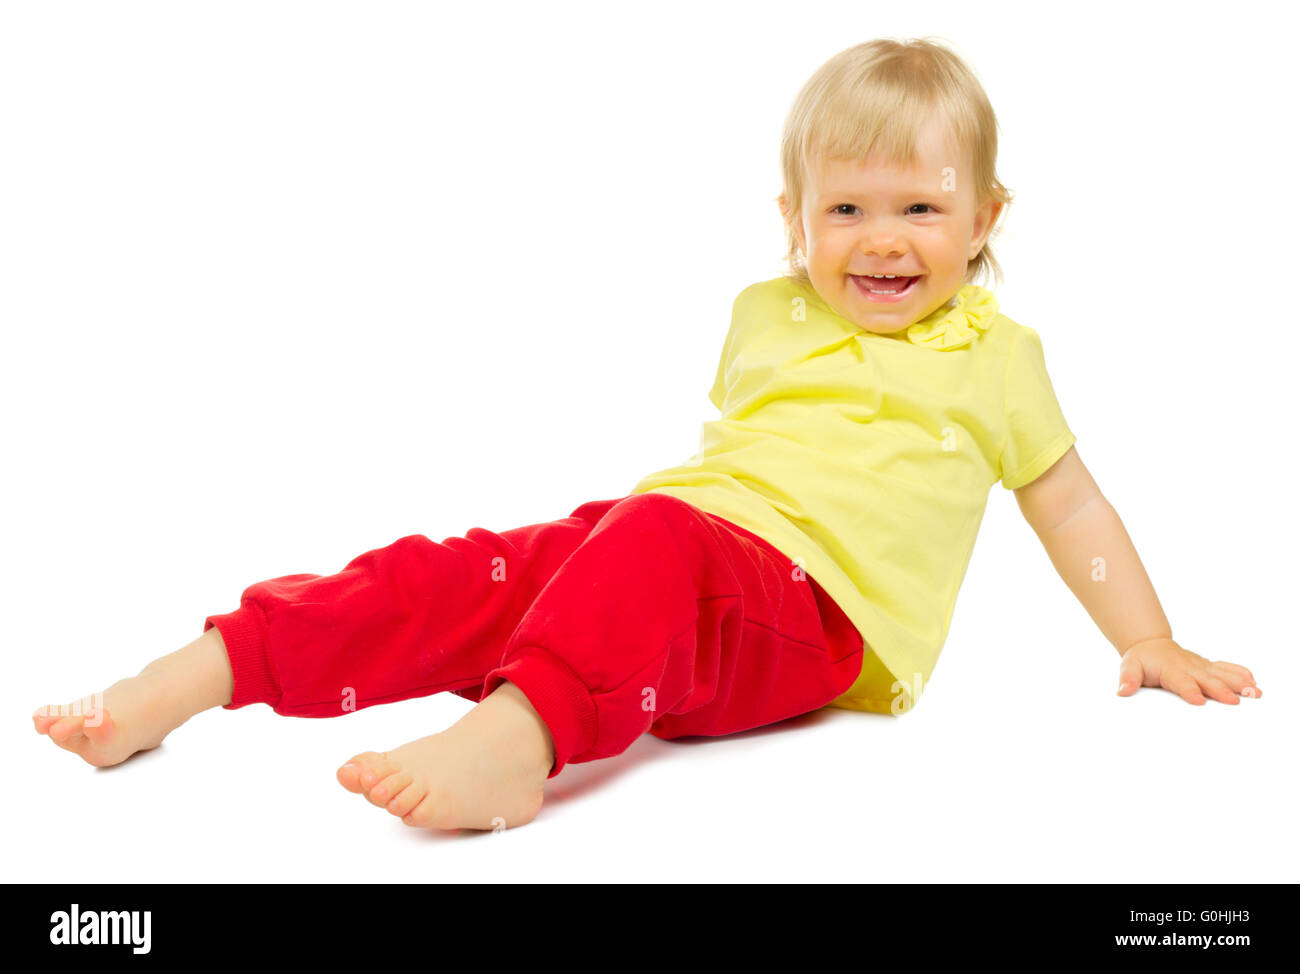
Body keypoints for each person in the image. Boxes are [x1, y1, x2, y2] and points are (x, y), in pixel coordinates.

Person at [33, 36, 1261, 832]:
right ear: (792, 218)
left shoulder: (996, 359)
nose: (881, 240)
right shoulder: (762, 312)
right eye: (845, 208)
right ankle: (198, 675)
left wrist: (1144, 634)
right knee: (481, 565)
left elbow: (1071, 505)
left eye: (921, 209)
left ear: (985, 215)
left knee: (654, 539)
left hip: (818, 620)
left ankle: (518, 743)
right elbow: (729, 472)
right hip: (676, 551)